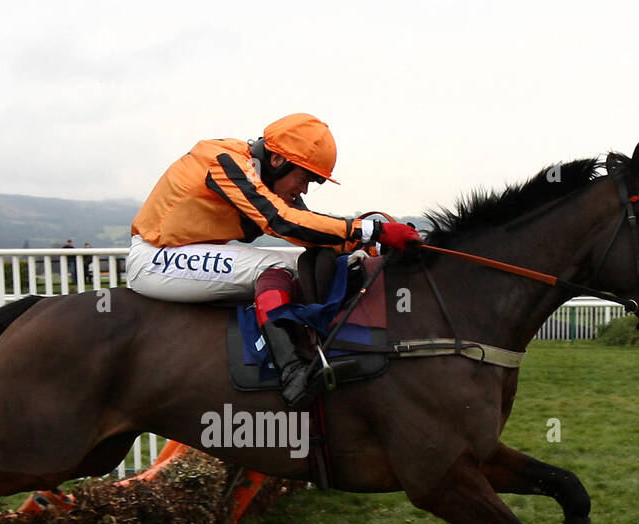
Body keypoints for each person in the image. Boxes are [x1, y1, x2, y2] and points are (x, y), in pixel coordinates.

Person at [127, 113, 420, 409]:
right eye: (304, 178)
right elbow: (281, 221)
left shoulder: (264, 173)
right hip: (154, 257)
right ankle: (292, 371)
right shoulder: (225, 161)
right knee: (275, 266)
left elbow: (308, 227)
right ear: (279, 161)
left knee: (303, 260)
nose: (304, 189)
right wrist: (372, 230)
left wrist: (363, 245)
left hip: (185, 252)